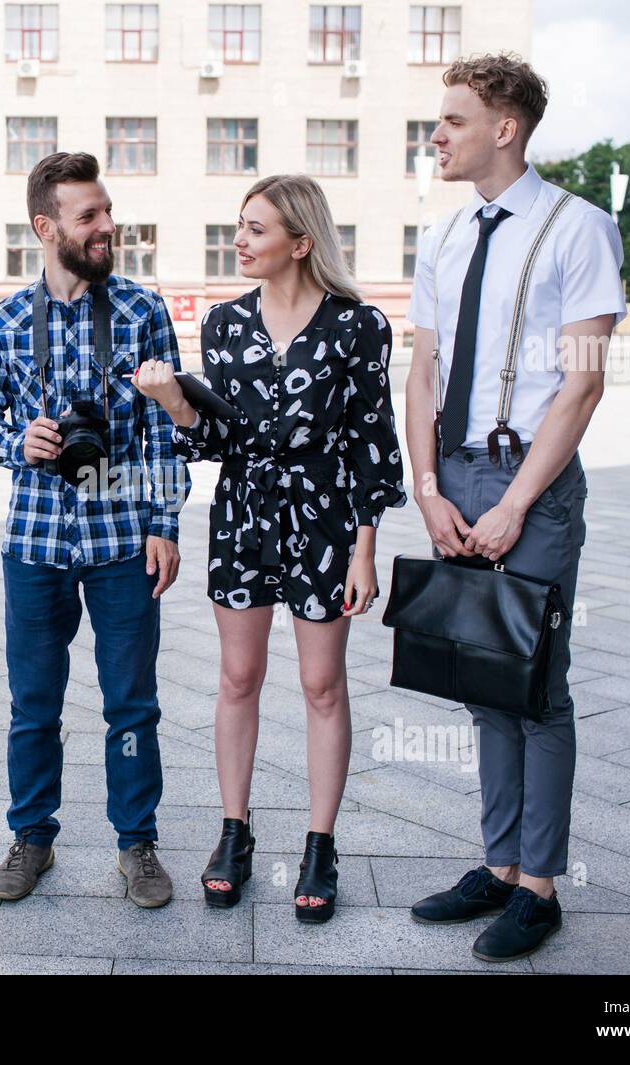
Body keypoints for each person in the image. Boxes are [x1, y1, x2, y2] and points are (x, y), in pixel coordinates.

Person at [133, 174, 406, 922]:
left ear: (301, 242)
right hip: (245, 512)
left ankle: (321, 845)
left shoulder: (358, 326)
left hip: (325, 521)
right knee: (238, 675)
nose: (240, 240)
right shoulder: (225, 324)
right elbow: (222, 437)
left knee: (322, 683)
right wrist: (174, 401)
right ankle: (235, 832)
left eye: (255, 229)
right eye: (239, 225)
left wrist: (365, 546)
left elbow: (370, 441)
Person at [403, 54, 625, 961]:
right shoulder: (447, 235)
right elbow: (419, 372)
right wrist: (428, 489)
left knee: (534, 687)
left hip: (529, 480)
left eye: (452, 120)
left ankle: (539, 887)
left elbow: (581, 386)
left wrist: (517, 504)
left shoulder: (580, 228)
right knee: (480, 684)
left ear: (505, 127)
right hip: (453, 477)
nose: (437, 135)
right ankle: (497, 866)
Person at [0, 152, 191, 908]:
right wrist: (13, 441)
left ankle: (137, 844)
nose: (107, 226)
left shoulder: (142, 310)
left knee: (132, 703)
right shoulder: (0, 322)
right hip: (35, 540)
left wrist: (165, 521)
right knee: (34, 702)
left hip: (123, 535)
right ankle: (32, 837)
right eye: (88, 215)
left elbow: (164, 428)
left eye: (107, 211)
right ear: (45, 226)